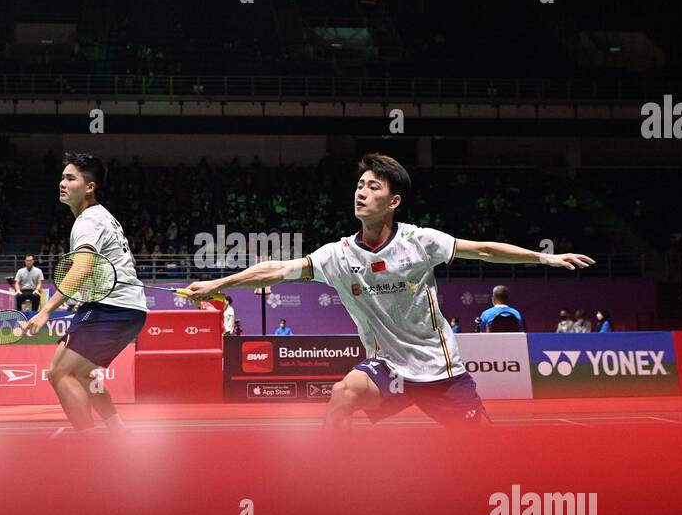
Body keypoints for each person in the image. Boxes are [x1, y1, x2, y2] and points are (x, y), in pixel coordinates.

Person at [185, 152, 593, 429]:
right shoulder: (338, 255)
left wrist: (545, 259)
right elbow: (276, 269)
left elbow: (483, 249)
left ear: (393, 200)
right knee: (344, 393)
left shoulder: (420, 242)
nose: (362, 191)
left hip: (442, 372)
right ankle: (330, 485)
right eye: (360, 184)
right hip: (390, 370)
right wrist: (218, 284)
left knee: (484, 448)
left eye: (374, 187)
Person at [27, 154, 147, 435]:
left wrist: (46, 310)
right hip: (120, 306)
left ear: (89, 187)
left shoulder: (88, 222)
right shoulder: (104, 216)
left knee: (60, 373)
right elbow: (125, 262)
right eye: (62, 177)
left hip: (114, 307)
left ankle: (87, 441)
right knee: (78, 372)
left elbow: (81, 267)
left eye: (70, 178)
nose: (62, 183)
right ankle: (116, 430)